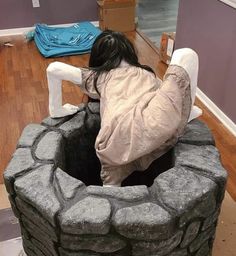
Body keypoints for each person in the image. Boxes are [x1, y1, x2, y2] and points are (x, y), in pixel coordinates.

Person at [46, 30, 201, 186]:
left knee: (112, 185)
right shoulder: (146, 73)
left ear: (98, 58)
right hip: (153, 123)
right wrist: (182, 108)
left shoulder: (98, 77)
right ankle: (186, 112)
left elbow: (53, 68)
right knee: (186, 54)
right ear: (129, 53)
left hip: (112, 143)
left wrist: (56, 109)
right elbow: (168, 96)